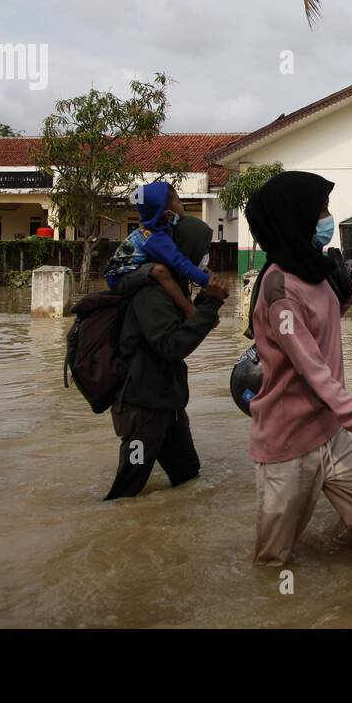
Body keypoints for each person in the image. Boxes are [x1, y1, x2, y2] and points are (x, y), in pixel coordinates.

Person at [245, 170, 352, 566]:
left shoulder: (314, 272)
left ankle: (324, 557)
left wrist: (344, 299)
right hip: (288, 444)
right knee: (273, 562)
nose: (327, 218)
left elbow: (322, 333)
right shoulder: (279, 289)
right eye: (320, 209)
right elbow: (314, 372)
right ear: (295, 216)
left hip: (331, 430)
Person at [104, 214, 229, 501]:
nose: (205, 257)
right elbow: (172, 345)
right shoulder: (152, 291)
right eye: (201, 249)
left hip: (166, 404)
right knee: (127, 488)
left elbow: (182, 330)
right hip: (142, 407)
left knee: (187, 476)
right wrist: (209, 303)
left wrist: (204, 302)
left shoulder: (173, 288)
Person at [106, 181, 215, 320]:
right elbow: (179, 262)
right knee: (160, 271)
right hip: (119, 279)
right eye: (178, 201)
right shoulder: (154, 238)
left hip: (129, 272)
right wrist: (205, 280)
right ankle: (189, 310)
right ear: (167, 212)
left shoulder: (162, 228)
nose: (182, 205)